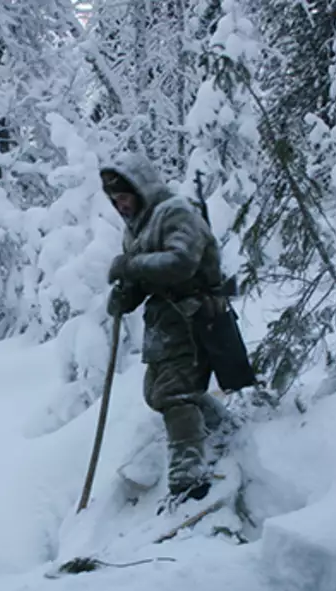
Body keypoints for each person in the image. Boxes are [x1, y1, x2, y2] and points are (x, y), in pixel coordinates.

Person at [101, 153, 244, 504]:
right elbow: (143, 277)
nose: (120, 206)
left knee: (173, 392)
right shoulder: (136, 228)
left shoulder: (175, 213)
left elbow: (181, 262)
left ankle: (189, 479)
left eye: (124, 197)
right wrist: (124, 297)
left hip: (195, 315)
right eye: (115, 201)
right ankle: (221, 426)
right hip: (165, 321)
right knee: (156, 393)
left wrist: (131, 267)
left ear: (141, 188)